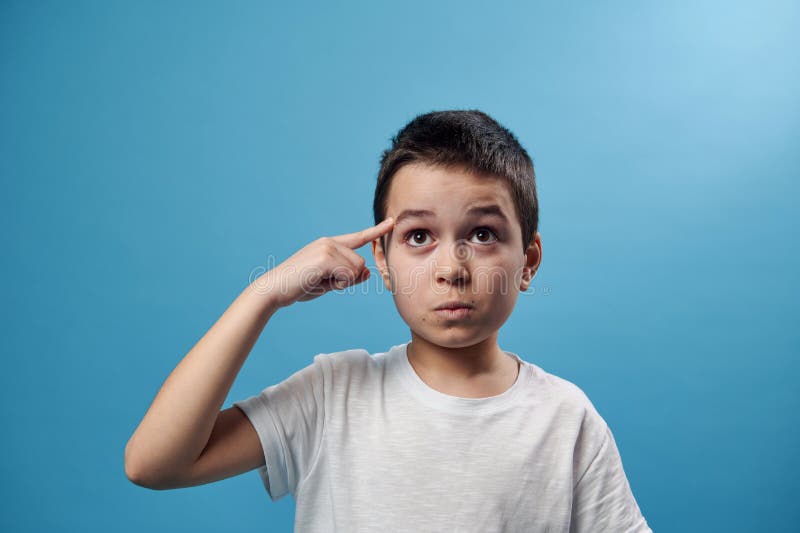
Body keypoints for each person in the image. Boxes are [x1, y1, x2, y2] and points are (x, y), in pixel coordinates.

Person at [125, 110, 652, 532]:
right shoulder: (333, 395)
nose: (451, 269)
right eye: (419, 237)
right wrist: (264, 295)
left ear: (529, 261)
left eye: (484, 234)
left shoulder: (566, 419)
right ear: (383, 259)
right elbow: (154, 463)